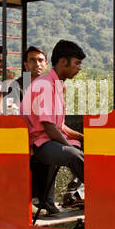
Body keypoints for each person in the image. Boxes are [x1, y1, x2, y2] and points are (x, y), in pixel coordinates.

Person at [23, 39, 86, 216]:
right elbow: (49, 127)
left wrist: (81, 137)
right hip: (38, 144)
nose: (79, 67)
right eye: (77, 63)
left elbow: (60, 125)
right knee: (73, 154)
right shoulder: (45, 85)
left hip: (49, 139)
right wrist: (68, 145)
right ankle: (103, 194)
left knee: (85, 145)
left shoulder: (57, 84)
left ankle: (74, 195)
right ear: (63, 62)